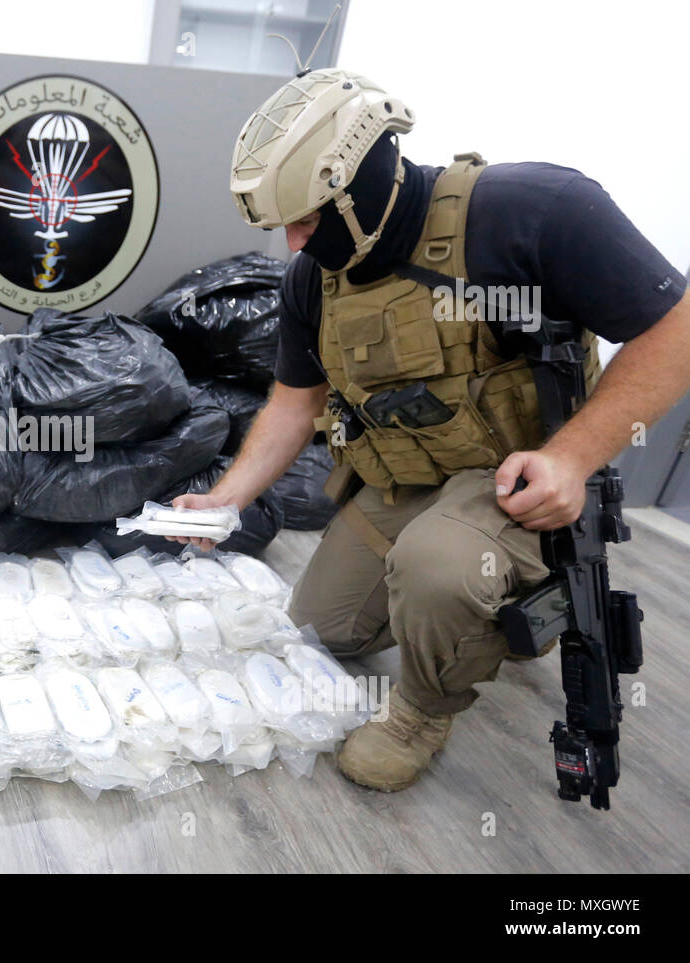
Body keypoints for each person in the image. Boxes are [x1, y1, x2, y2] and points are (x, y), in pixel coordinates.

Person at [172, 68, 690, 792]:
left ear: (362, 182)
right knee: (328, 627)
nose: (291, 244)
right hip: (411, 473)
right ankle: (494, 609)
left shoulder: (531, 210)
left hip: (515, 478)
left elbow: (676, 325)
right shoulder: (313, 278)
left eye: (308, 219)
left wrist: (571, 459)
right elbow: (294, 402)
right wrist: (224, 500)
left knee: (439, 569)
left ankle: (423, 707)